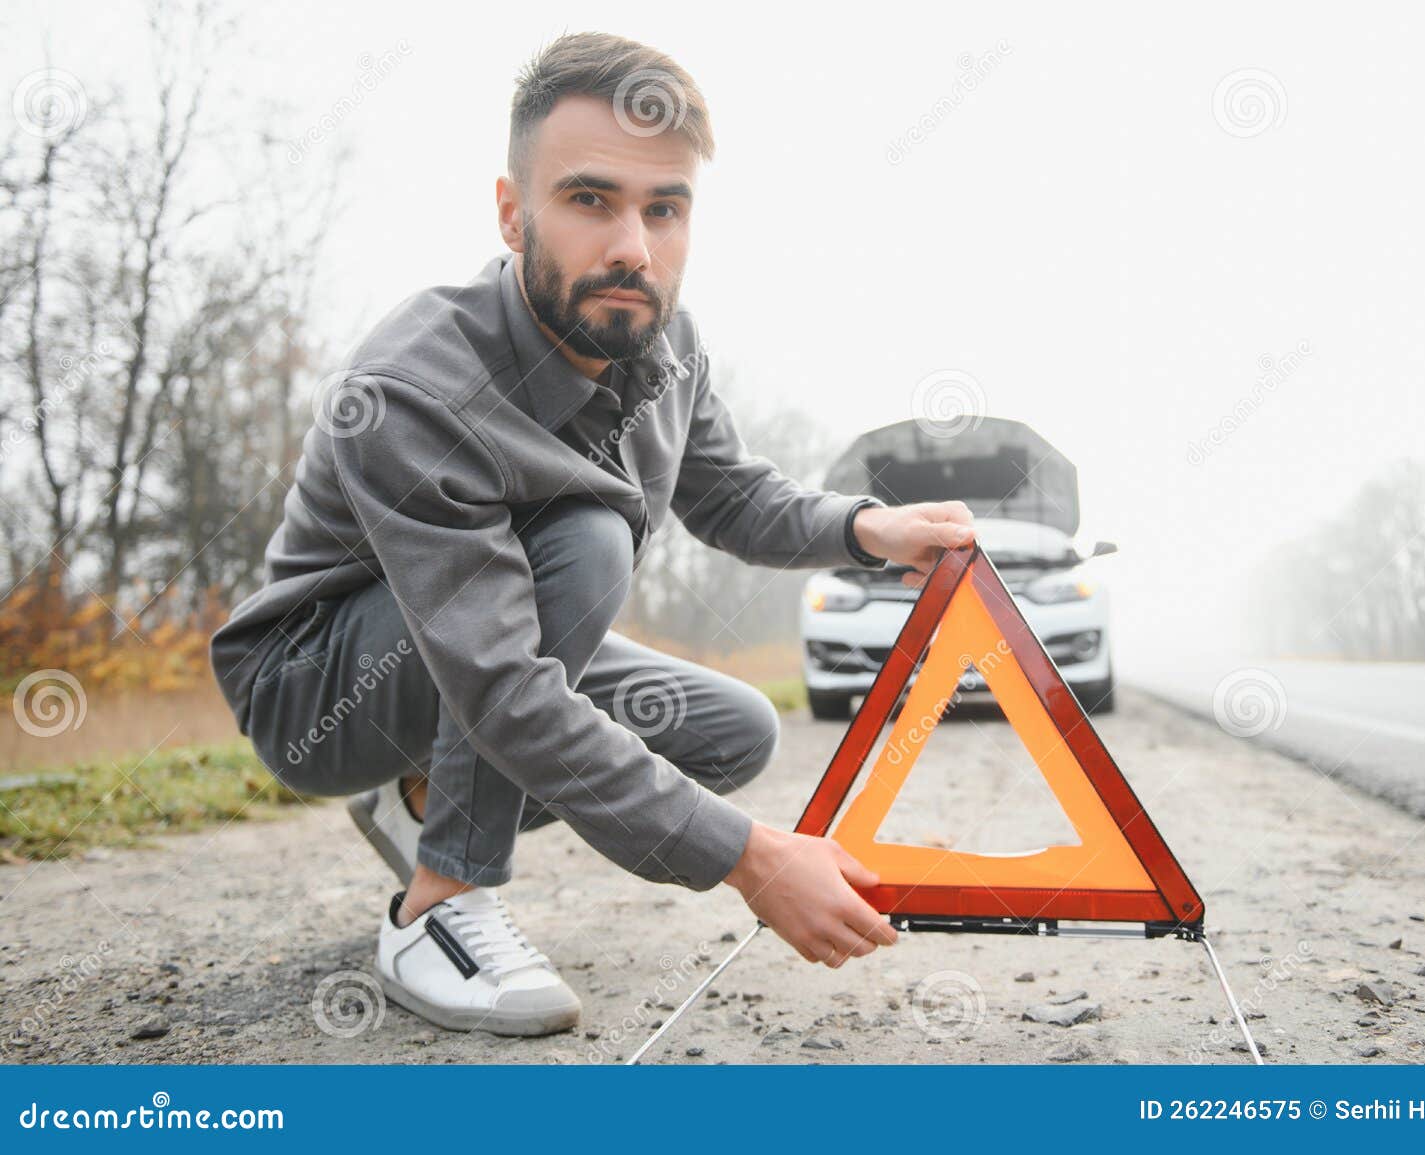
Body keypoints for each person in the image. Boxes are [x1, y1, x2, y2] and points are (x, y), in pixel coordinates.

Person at [209, 30, 975, 1037]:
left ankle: (421, 794)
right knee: (584, 536)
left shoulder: (664, 337)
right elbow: (501, 683)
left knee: (728, 729)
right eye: (589, 200)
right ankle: (437, 906)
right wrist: (752, 860)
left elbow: (727, 495)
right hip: (316, 682)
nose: (632, 246)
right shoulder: (415, 388)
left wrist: (870, 529)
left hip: (483, 641)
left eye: (665, 209)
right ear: (511, 213)